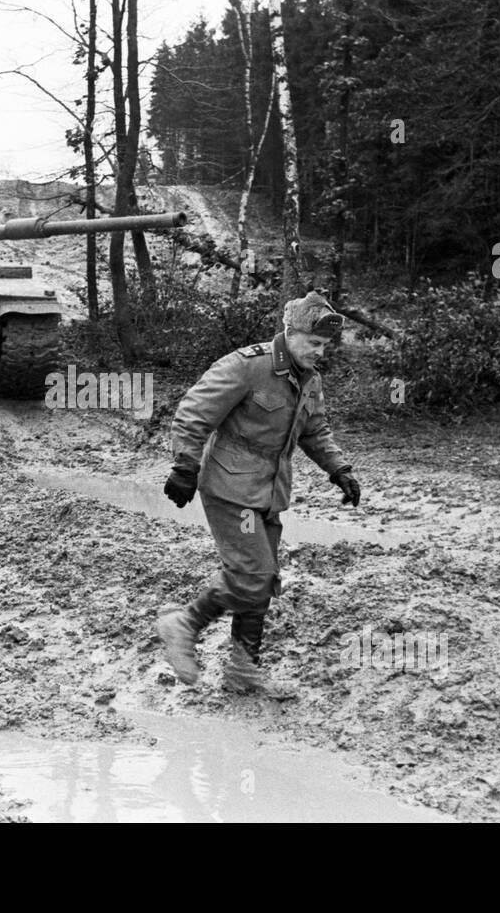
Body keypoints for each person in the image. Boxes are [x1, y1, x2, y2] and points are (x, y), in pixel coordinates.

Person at [158, 291, 361, 698]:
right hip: (232, 488)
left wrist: (338, 468)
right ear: (291, 333)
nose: (319, 353)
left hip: (270, 493)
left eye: (324, 346)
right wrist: (185, 465)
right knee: (253, 576)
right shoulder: (247, 366)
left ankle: (242, 670)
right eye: (314, 343)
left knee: (262, 582)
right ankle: (183, 623)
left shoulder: (309, 379)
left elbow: (315, 431)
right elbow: (195, 412)